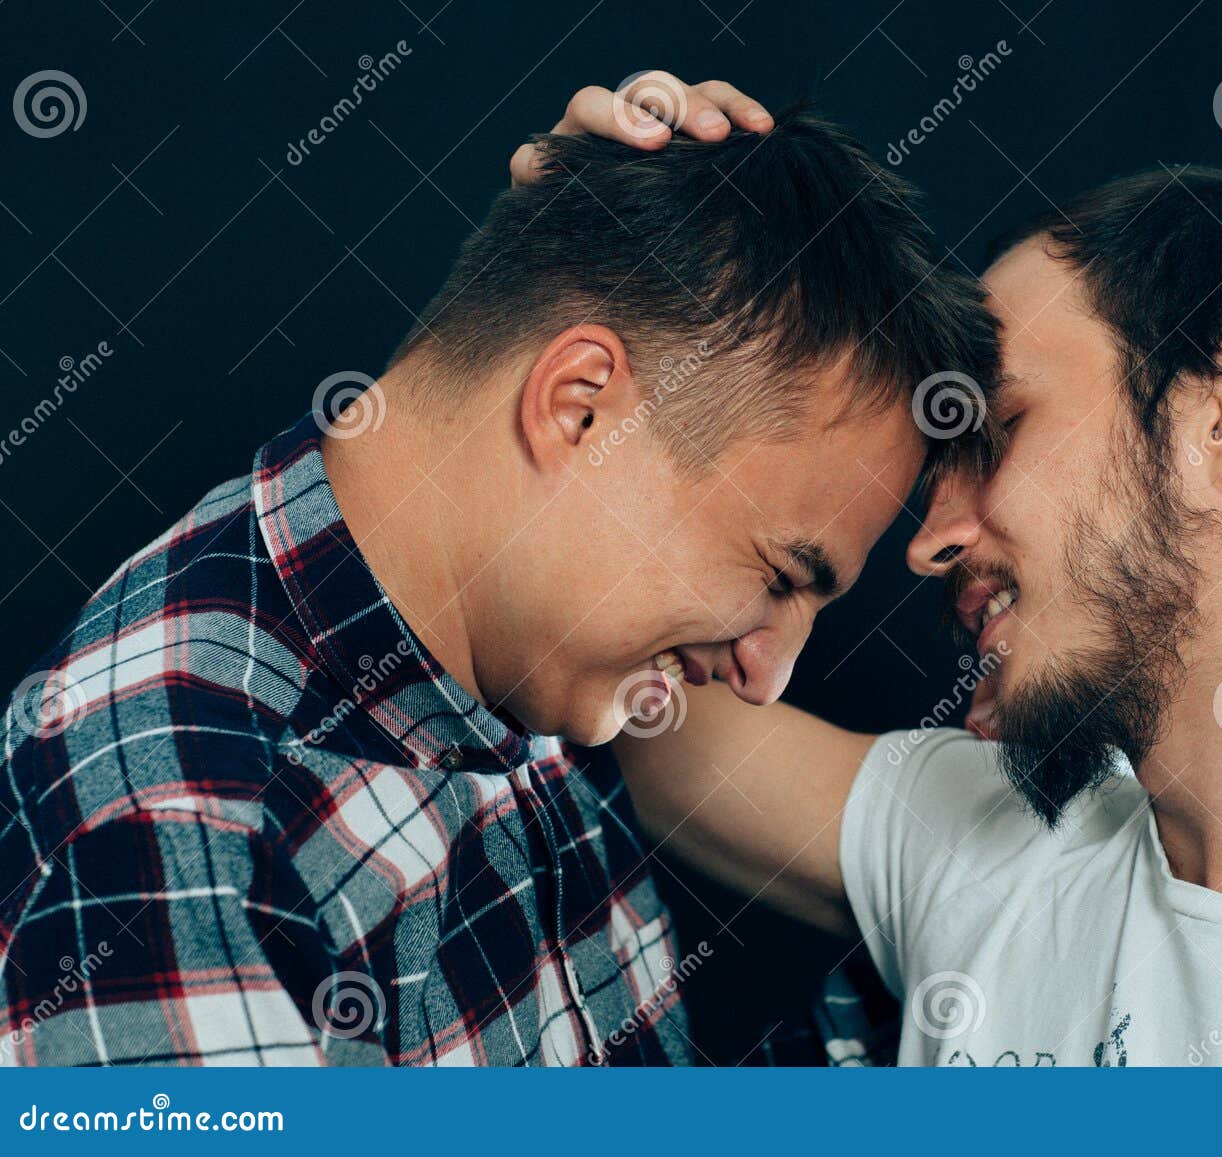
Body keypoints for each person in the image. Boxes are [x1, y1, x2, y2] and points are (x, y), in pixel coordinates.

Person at [552, 75, 1222, 1066]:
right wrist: (607, 267)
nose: (929, 541)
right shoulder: (996, 842)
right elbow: (617, 690)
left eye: (1002, 426)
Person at [0, 100, 1004, 1066]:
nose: (765, 673)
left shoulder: (518, 638)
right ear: (580, 410)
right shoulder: (167, 841)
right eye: (781, 574)